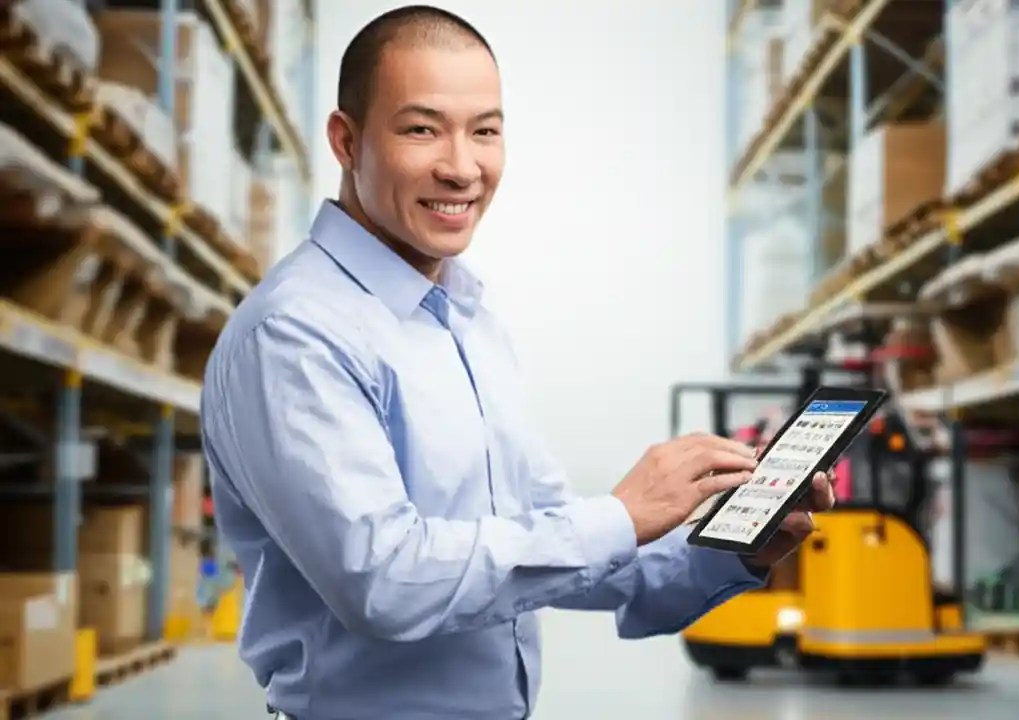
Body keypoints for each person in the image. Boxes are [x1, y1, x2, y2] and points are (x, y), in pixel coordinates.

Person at [199, 6, 833, 719]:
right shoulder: (295, 332)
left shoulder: (466, 321)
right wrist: (620, 515)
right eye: (421, 128)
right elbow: (383, 582)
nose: (462, 166)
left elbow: (548, 547)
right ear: (347, 141)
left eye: (486, 131)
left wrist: (735, 552)